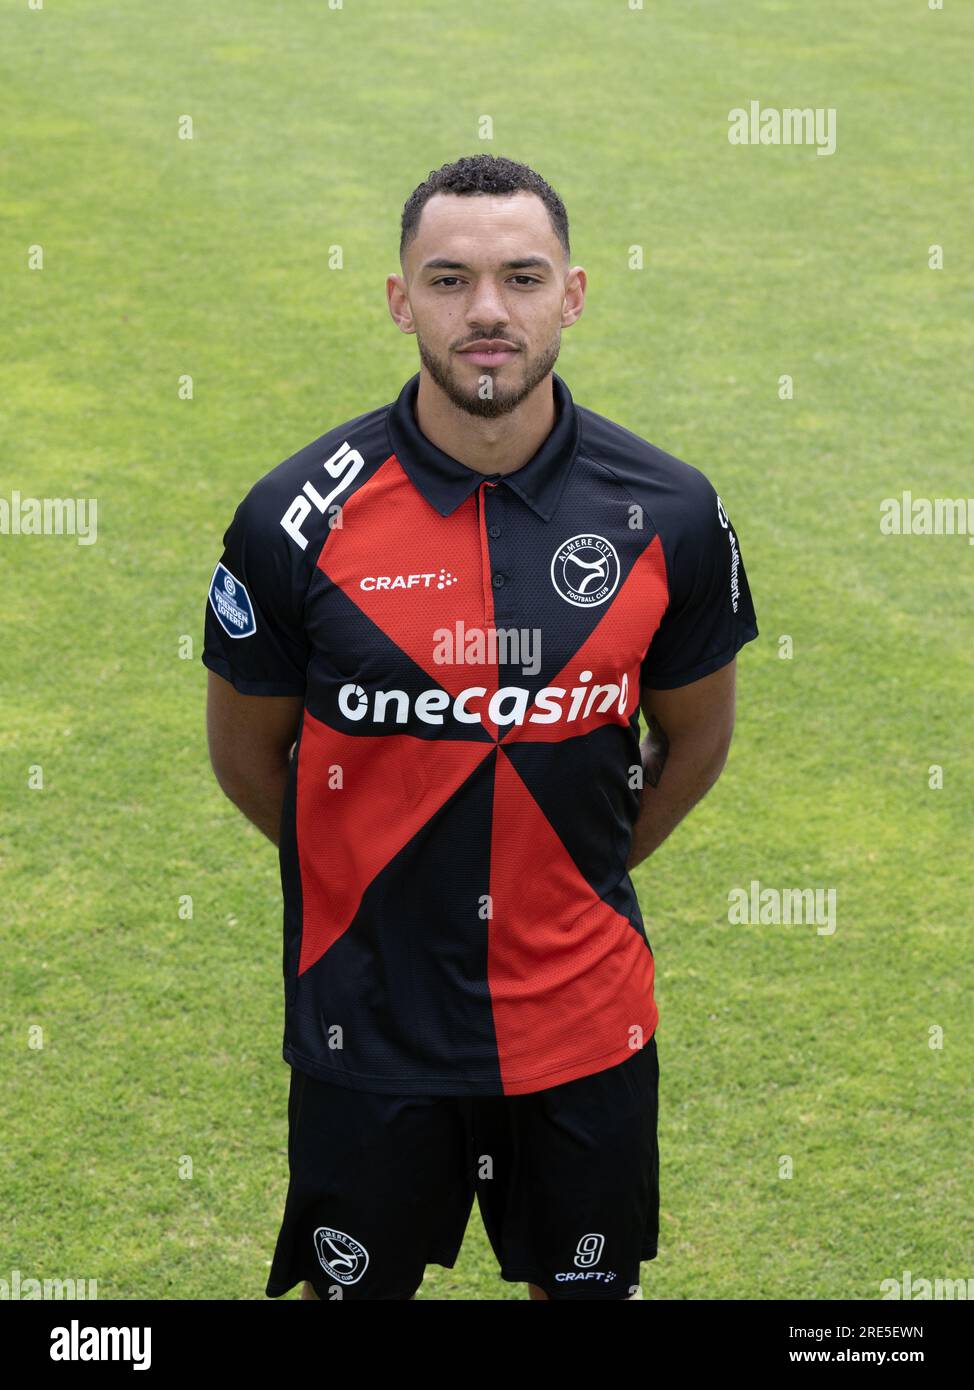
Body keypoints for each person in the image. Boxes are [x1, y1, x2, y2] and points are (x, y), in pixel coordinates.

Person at [202, 154, 758, 1301]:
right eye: (449, 281)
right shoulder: (290, 518)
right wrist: (373, 869)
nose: (488, 312)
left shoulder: (671, 511)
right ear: (400, 300)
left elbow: (694, 741)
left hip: (582, 1023)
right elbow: (247, 756)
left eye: (521, 276)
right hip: (366, 1022)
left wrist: (584, 862)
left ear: (574, 292)